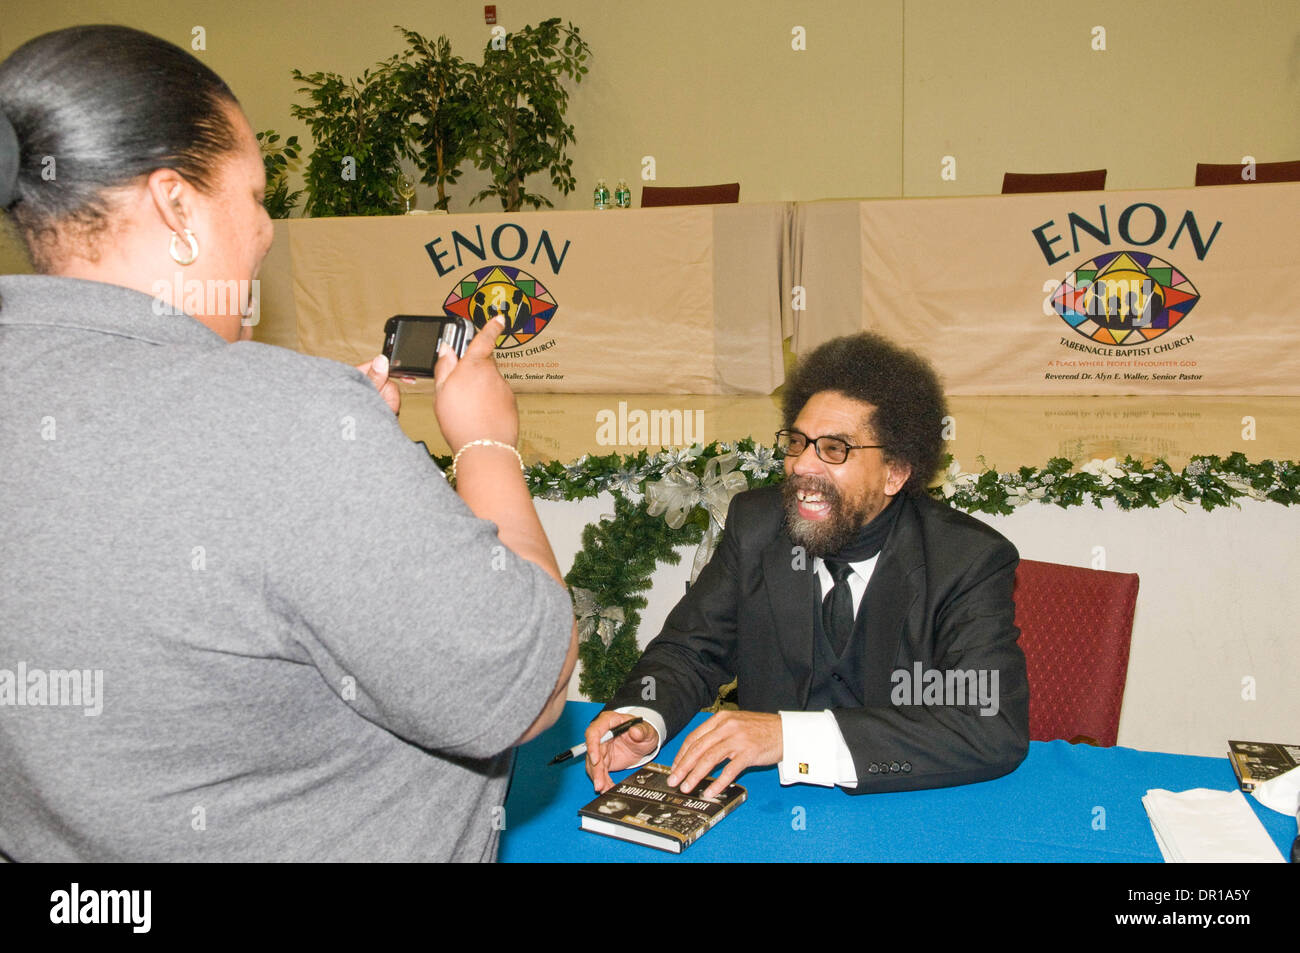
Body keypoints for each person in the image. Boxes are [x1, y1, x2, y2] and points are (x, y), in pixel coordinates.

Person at [0, 25, 576, 861]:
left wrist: (341, 477)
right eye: (259, 195)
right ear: (175, 204)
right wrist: (486, 443)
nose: (267, 231)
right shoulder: (287, 421)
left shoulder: (286, 430)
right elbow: (526, 686)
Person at [585, 333, 1029, 800]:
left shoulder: (966, 559)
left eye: (834, 449)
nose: (801, 466)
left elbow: (989, 725)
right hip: (767, 806)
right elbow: (691, 651)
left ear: (895, 473)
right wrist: (643, 716)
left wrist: (787, 737)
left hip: (903, 805)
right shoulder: (757, 526)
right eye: (798, 443)